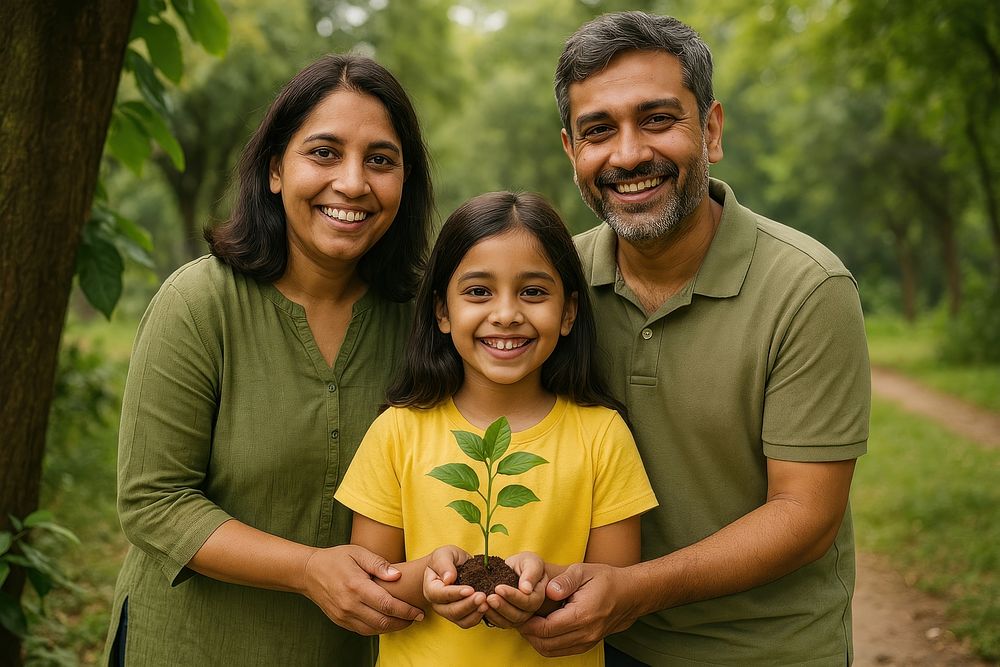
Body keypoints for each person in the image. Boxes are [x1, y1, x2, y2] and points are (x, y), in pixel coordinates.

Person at [504, 11, 869, 666]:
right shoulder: (548, 289)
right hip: (595, 644)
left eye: (657, 119)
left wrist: (634, 590)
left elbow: (806, 515)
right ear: (571, 152)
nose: (628, 154)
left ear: (711, 129)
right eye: (598, 131)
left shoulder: (807, 288)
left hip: (769, 650)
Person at [103, 53, 434, 665]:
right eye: (325, 153)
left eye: (380, 160)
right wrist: (308, 569)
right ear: (276, 169)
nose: (354, 183)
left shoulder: (426, 321)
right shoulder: (199, 303)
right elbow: (154, 502)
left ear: (404, 183)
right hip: (189, 647)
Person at [334, 191, 658, 666]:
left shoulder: (602, 436)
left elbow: (614, 594)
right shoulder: (396, 432)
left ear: (568, 313)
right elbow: (372, 584)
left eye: (532, 292)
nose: (506, 314)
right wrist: (431, 575)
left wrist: (542, 584)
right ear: (442, 312)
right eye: (479, 291)